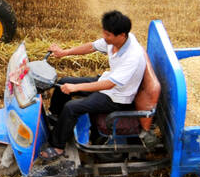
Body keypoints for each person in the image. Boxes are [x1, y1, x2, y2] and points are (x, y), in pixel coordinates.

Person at [38, 10, 148, 161]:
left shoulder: (132, 56)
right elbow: (92, 47)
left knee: (72, 107)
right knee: (63, 82)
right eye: (104, 33)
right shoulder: (115, 40)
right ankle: (58, 120)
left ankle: (57, 147)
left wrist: (76, 87)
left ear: (122, 35)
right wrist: (64, 53)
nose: (104, 37)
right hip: (108, 82)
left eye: (108, 35)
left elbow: (109, 85)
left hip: (117, 98)